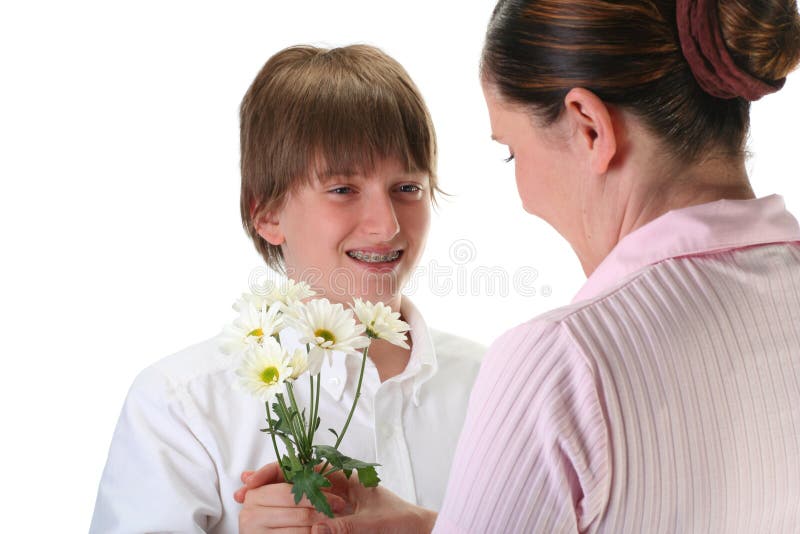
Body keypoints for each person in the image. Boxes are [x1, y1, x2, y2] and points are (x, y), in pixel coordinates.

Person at [237, 0, 800, 532]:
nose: (523, 194)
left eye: (512, 150)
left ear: (589, 127)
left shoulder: (563, 361)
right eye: (343, 189)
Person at [89, 44, 484, 533]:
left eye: (408, 188)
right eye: (343, 190)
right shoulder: (181, 404)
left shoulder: (495, 384)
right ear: (268, 215)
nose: (387, 226)